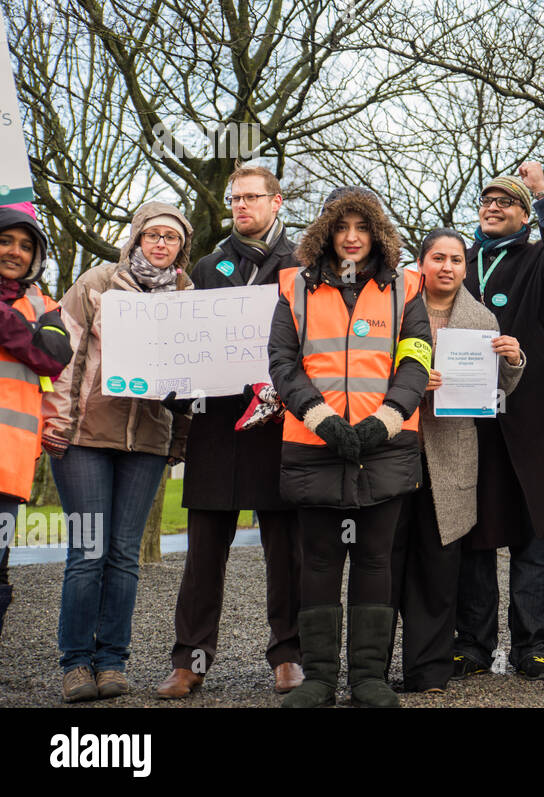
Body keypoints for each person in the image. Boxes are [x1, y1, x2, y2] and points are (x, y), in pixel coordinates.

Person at [267, 186, 431, 708]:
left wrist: (386, 419)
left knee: (376, 562)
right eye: (342, 227)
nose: (353, 237)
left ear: (377, 232)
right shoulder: (294, 287)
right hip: (316, 445)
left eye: (362, 227)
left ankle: (369, 679)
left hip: (385, 447)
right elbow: (282, 363)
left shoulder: (407, 288)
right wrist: (321, 419)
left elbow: (416, 360)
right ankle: (319, 679)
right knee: (317, 562)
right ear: (326, 233)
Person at [156, 166, 304, 699]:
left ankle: (288, 655)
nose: (240, 206)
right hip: (216, 424)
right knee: (203, 554)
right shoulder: (206, 264)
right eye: (234, 198)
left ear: (276, 201)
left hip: (280, 424)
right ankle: (190, 661)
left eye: (251, 197)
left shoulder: (302, 265)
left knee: (286, 551)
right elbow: (185, 344)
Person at [41, 202, 195, 702]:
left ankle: (112, 661)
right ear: (135, 239)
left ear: (181, 247)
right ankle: (75, 664)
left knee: (124, 556)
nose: (160, 244)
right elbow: (67, 354)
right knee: (88, 551)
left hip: (146, 443)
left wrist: (178, 439)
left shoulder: (188, 298)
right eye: (152, 234)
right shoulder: (96, 283)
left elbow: (193, 378)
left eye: (171, 238)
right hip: (85, 438)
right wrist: (58, 422)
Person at [454, 163, 544, 682]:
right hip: (469, 420)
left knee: (533, 537)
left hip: (532, 419)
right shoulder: (457, 262)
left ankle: (534, 646)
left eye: (507, 201)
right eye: (487, 199)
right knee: (477, 536)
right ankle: (473, 646)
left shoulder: (542, 260)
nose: (493, 206)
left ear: (526, 215)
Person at [387, 228, 524, 693]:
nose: (448, 267)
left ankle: (428, 673)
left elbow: (496, 393)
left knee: (439, 567)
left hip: (450, 456)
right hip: (395, 448)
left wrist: (513, 359)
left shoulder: (482, 317)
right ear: (421, 262)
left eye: (457, 260)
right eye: (438, 258)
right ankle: (370, 672)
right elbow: (363, 368)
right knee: (384, 563)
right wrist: (408, 382)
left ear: (467, 267)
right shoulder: (392, 305)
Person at [0, 203, 73, 643]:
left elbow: (52, 355)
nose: (15, 252)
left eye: (26, 246)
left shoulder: (45, 304)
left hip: (8, 463)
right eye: (6, 240)